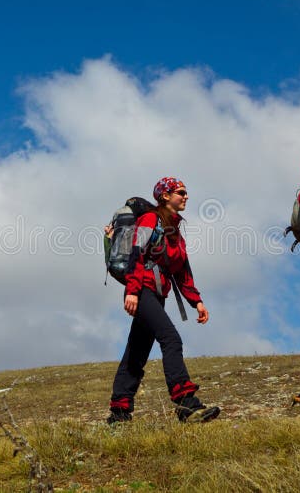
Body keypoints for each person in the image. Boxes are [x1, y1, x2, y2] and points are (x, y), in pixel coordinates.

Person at [106, 177, 220, 424]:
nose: (186, 196)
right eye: (181, 192)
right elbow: (136, 253)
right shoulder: (150, 219)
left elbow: (181, 272)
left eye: (186, 192)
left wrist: (196, 302)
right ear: (165, 196)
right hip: (143, 290)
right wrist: (133, 291)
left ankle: (119, 412)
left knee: (136, 352)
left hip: (157, 295)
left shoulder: (175, 231)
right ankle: (186, 404)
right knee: (171, 339)